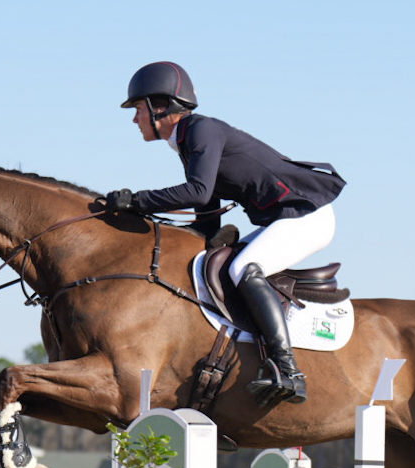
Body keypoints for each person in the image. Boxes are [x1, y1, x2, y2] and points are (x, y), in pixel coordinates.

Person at [102, 61, 346, 405]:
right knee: (212, 265)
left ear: (161, 107)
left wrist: (137, 202)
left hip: (308, 215)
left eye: (138, 109)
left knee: (242, 269)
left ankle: (288, 370)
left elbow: (199, 191)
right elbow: (207, 211)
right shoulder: (186, 139)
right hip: (285, 217)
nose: (134, 119)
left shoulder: (201, 131)